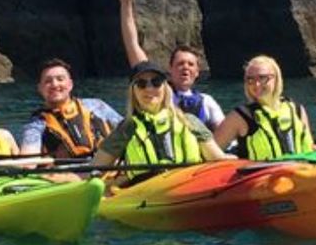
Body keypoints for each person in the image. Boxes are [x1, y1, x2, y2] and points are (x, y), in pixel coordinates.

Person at [114, 0, 225, 132]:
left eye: (190, 64)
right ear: (170, 69)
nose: (185, 67)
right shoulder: (154, 91)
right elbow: (132, 44)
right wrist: (126, 4)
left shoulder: (207, 102)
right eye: (180, 64)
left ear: (197, 72)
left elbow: (225, 134)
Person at [93, 61, 229, 173]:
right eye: (141, 84)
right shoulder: (127, 128)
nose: (149, 89)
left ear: (165, 88)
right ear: (133, 91)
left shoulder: (190, 121)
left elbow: (218, 159)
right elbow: (96, 168)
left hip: (189, 186)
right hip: (147, 194)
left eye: (156, 82)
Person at [213, 55, 315, 158]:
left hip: (300, 171)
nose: (256, 84)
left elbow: (310, 147)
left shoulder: (297, 110)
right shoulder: (239, 117)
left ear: (276, 78)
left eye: (263, 78)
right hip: (262, 173)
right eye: (250, 79)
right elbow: (210, 152)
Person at [19, 58, 122, 159]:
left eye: (60, 79)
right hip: (69, 173)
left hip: (110, 168)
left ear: (70, 84)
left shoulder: (96, 105)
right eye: (48, 81)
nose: (55, 84)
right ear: (40, 89)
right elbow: (29, 154)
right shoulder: (37, 123)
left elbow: (126, 129)